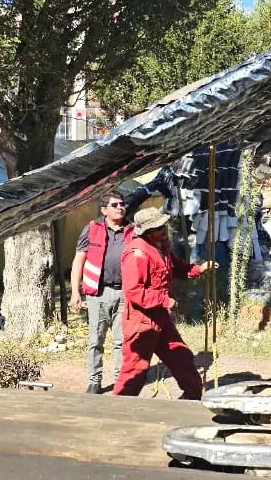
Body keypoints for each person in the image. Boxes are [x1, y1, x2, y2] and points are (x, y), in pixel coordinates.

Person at [69, 169, 172, 394]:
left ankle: (119, 380)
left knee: (121, 340)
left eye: (122, 204)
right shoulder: (92, 229)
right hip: (98, 293)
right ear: (103, 209)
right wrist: (75, 293)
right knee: (95, 340)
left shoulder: (133, 231)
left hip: (126, 293)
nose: (121, 208)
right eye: (115, 205)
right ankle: (94, 381)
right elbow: (79, 260)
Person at [113, 207, 215, 399]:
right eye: (159, 227)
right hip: (141, 322)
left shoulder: (161, 246)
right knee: (135, 370)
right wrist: (164, 300)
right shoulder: (137, 254)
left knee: (181, 357)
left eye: (163, 225)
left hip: (161, 318)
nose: (164, 229)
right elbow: (134, 291)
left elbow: (176, 267)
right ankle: (118, 408)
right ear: (148, 232)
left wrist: (198, 269)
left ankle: (193, 399)